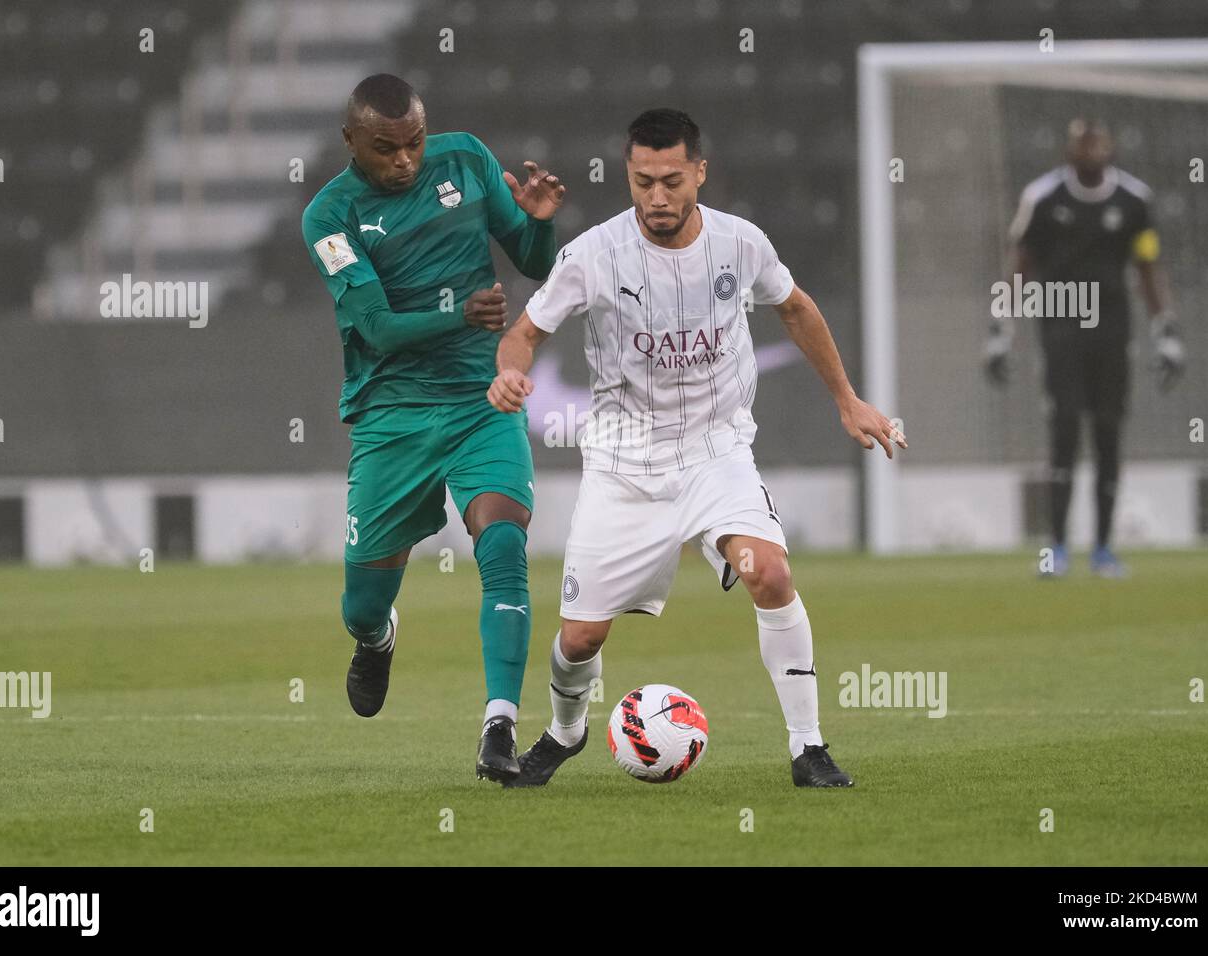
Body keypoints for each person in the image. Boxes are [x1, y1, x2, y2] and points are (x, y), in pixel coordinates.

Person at [487, 108, 905, 788]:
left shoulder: (740, 245)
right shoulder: (594, 253)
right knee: (580, 640)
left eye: (672, 181)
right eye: (642, 180)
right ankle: (565, 732)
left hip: (716, 453)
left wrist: (847, 399)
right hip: (624, 464)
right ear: (628, 174)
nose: (657, 197)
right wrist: (508, 371)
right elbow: (525, 332)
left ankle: (809, 748)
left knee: (769, 573)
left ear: (700, 173)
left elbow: (796, 307)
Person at [301, 73, 565, 782]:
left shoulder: (468, 160)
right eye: (386, 148)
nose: (406, 161)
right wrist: (460, 316)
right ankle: (377, 638)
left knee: (504, 543)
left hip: (482, 398)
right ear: (351, 141)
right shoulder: (329, 216)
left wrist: (538, 222)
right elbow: (379, 329)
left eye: (414, 142)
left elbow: (534, 262)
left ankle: (499, 729)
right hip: (393, 415)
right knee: (361, 604)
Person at [986, 118, 1183, 577]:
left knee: (1109, 429)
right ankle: (1055, 548)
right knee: (1066, 425)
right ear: (1069, 149)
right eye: (1082, 142)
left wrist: (1166, 330)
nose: (1091, 149)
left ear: (1111, 148)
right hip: (1060, 324)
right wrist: (1001, 327)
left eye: (1098, 141)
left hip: (1113, 329)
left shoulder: (1134, 200)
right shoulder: (1043, 197)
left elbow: (1149, 265)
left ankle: (1103, 549)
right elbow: (1020, 263)